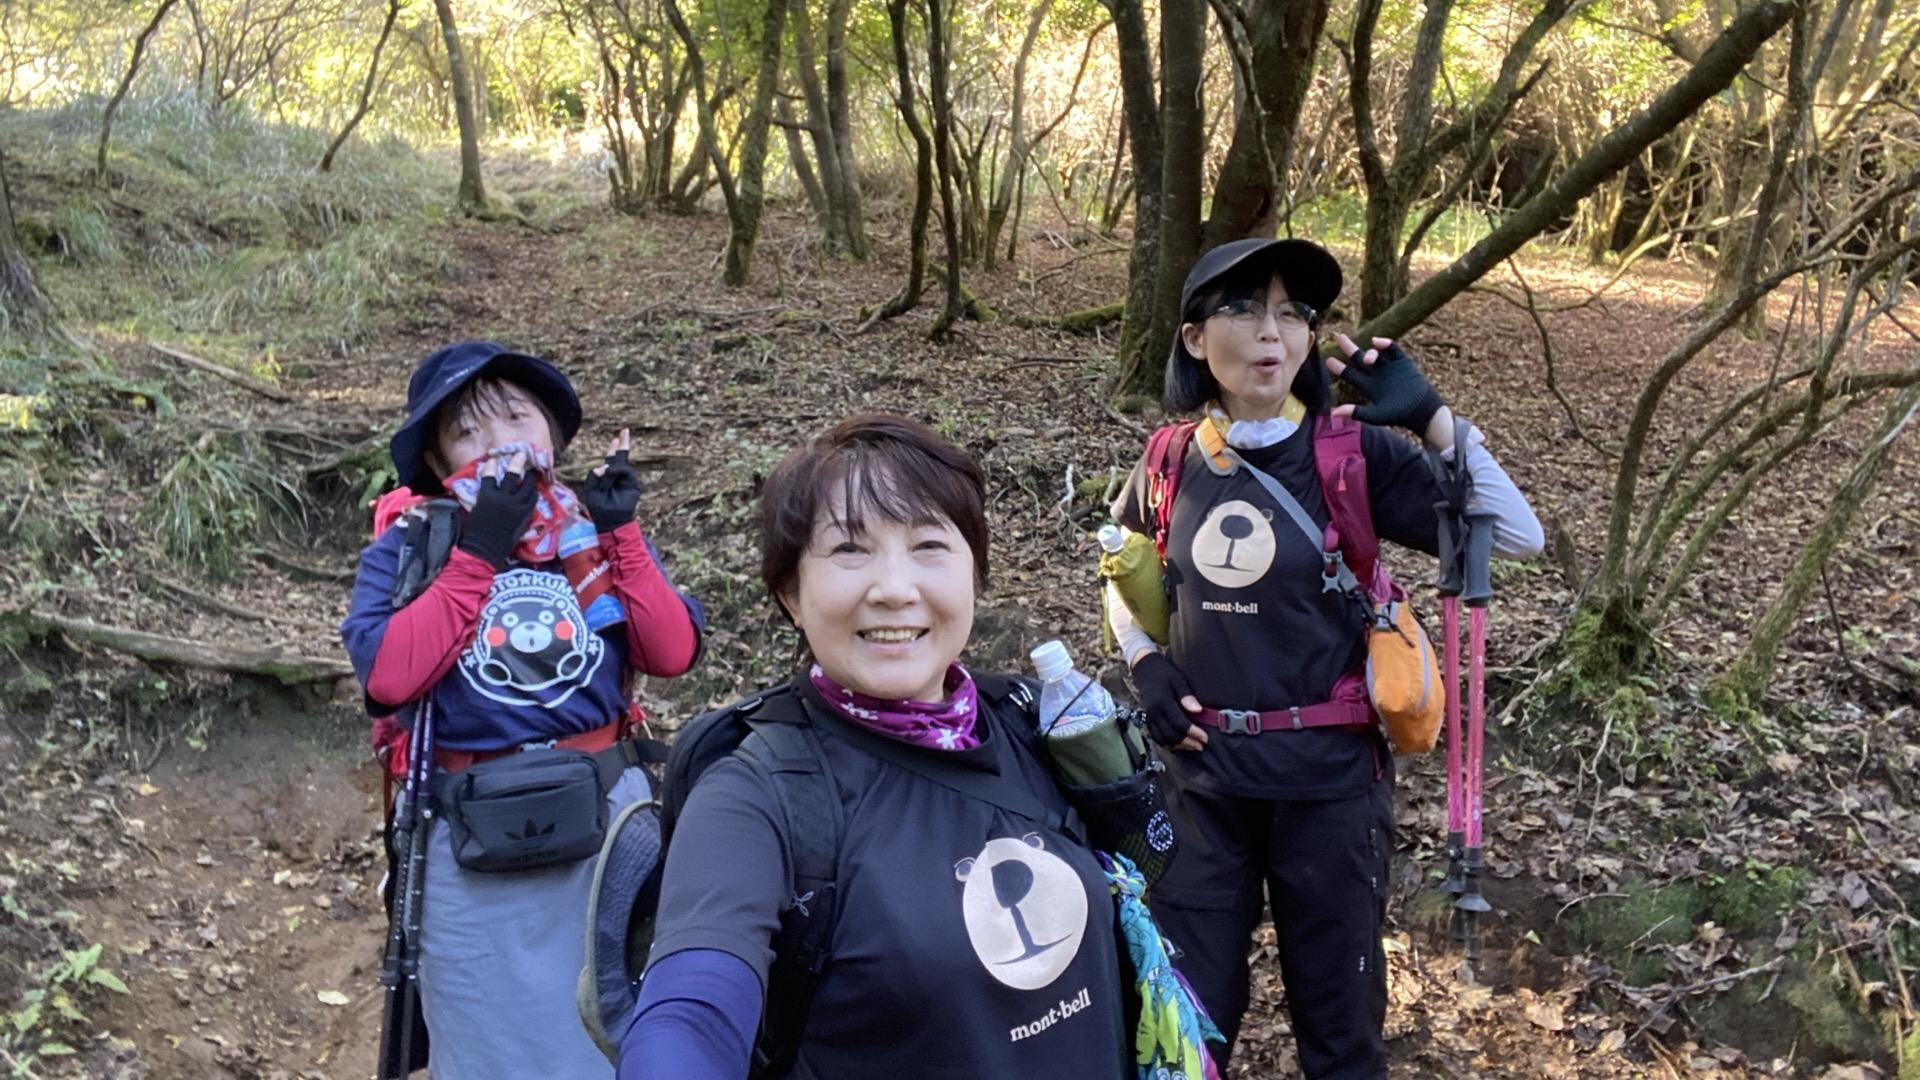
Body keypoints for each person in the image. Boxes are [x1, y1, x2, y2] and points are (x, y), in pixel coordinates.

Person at [619, 414, 1207, 1080]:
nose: (895, 589)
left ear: (973, 575)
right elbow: (692, 1010)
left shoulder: (1030, 724)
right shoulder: (760, 795)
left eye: (929, 544)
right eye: (849, 550)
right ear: (790, 593)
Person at [1107, 238, 1545, 1078]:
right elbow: (1120, 566)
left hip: (1331, 786)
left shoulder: (1353, 455)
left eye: (1293, 313)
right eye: (1243, 308)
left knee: (1340, 1029)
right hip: (1203, 784)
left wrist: (1435, 422)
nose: (1271, 332)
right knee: (1186, 1022)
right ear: (1195, 339)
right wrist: (1145, 664)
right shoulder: (1169, 458)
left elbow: (1519, 536)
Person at [340, 341, 704, 1079]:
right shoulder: (416, 547)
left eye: (516, 417)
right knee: (486, 1047)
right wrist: (480, 549)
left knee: (620, 1023)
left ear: (552, 438)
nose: (502, 441)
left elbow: (670, 651)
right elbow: (389, 675)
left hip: (605, 823)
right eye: (469, 431)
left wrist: (623, 532)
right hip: (469, 837)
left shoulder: (593, 535)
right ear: (441, 465)